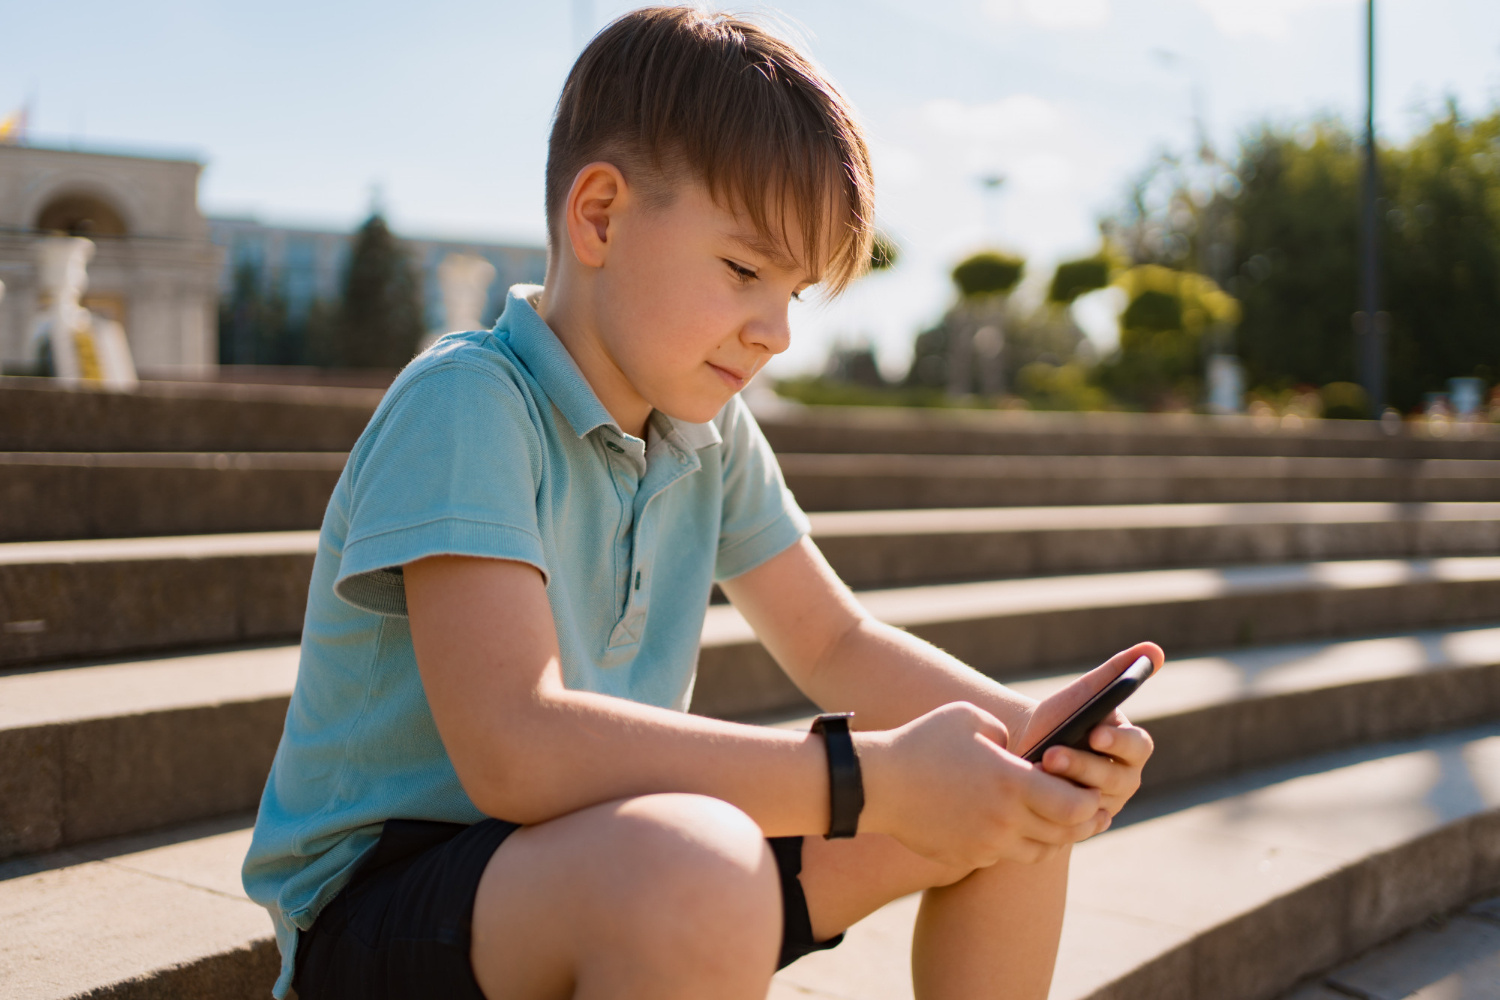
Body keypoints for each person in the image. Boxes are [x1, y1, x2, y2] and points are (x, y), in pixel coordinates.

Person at [242, 8, 1162, 999]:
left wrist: (1023, 735)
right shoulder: (469, 399)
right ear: (598, 216)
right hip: (387, 911)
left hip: (605, 858)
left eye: (795, 294)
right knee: (697, 861)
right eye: (743, 270)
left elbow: (834, 643)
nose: (776, 333)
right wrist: (876, 777)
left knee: (1004, 810)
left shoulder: (705, 433)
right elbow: (518, 745)